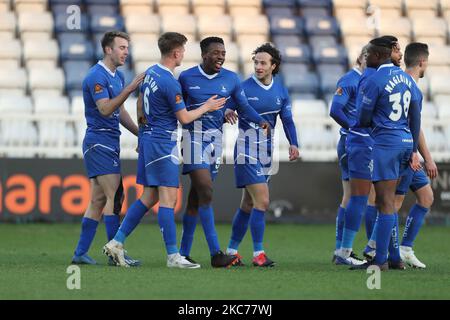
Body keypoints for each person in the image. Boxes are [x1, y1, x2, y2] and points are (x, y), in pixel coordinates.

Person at [103, 32, 227, 268]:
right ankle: (173, 256)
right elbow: (184, 118)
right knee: (168, 198)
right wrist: (208, 106)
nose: (183, 54)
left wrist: (142, 131)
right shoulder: (170, 81)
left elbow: (140, 103)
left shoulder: (150, 72)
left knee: (149, 196)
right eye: (183, 50)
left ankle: (116, 242)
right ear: (176, 52)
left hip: (149, 139)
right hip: (163, 142)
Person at [176, 37, 271, 267]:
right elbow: (177, 108)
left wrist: (260, 121)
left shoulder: (231, 78)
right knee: (206, 190)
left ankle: (182, 253)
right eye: (216, 53)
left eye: (223, 52)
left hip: (215, 143)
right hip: (192, 139)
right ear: (204, 54)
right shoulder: (186, 77)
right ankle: (216, 254)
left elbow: (243, 105)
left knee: (195, 199)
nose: (221, 56)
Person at [221, 43, 299, 267]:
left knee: (248, 204)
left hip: (266, 152)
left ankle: (231, 251)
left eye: (263, 62)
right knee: (263, 201)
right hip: (246, 150)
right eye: (256, 62)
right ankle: (259, 254)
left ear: (273, 66)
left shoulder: (280, 91)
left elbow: (288, 120)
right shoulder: (243, 87)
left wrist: (294, 143)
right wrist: (226, 110)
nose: (258, 66)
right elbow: (224, 107)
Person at [71, 31, 144, 266]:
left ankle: (81, 253)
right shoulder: (96, 76)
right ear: (108, 49)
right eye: (121, 47)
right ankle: (115, 252)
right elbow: (104, 109)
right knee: (116, 197)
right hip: (99, 142)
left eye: (127, 48)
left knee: (98, 200)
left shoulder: (116, 76)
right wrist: (129, 89)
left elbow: (119, 110)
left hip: (108, 141)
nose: (126, 52)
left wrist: (139, 133)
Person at [352, 36, 422, 270]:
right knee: (389, 202)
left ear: (378, 56)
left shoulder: (374, 79)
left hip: (385, 145)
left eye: (369, 54)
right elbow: (416, 115)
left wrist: (368, 123)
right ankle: (394, 258)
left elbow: (362, 117)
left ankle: (380, 260)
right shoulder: (408, 80)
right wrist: (413, 149)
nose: (366, 57)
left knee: (384, 202)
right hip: (405, 142)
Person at [395, 43, 436, 268]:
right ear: (422, 62)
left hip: (411, 154)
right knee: (392, 203)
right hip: (403, 153)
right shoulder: (408, 87)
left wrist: (426, 157)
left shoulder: (404, 84)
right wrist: (424, 157)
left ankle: (405, 248)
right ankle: (381, 251)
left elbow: (415, 126)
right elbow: (412, 126)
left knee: (426, 197)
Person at [329, 45, 368, 264]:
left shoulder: (364, 80)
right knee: (362, 197)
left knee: (349, 197)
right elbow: (335, 110)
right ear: (361, 57)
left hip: (353, 143)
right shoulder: (350, 79)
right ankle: (349, 250)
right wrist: (354, 127)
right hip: (352, 143)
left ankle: (340, 250)